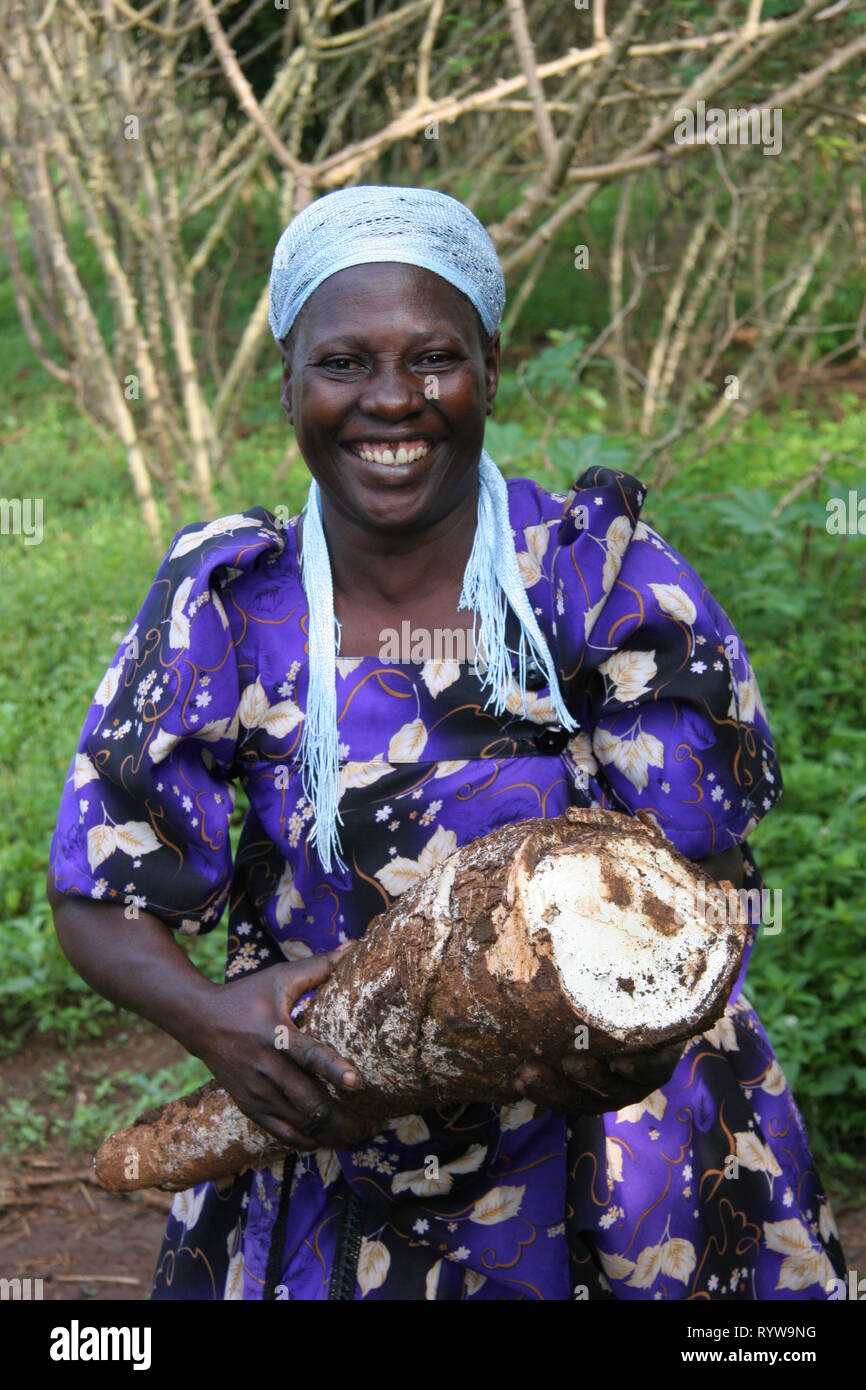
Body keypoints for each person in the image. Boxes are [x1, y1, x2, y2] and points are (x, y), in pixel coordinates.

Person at [47, 185, 846, 1301]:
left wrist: (614, 1035)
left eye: (432, 358)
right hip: (330, 1132)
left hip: (612, 1155)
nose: (391, 399)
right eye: (342, 362)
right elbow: (101, 889)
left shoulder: (592, 572)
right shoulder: (233, 603)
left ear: (490, 367)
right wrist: (210, 1018)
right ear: (287, 380)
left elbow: (704, 876)